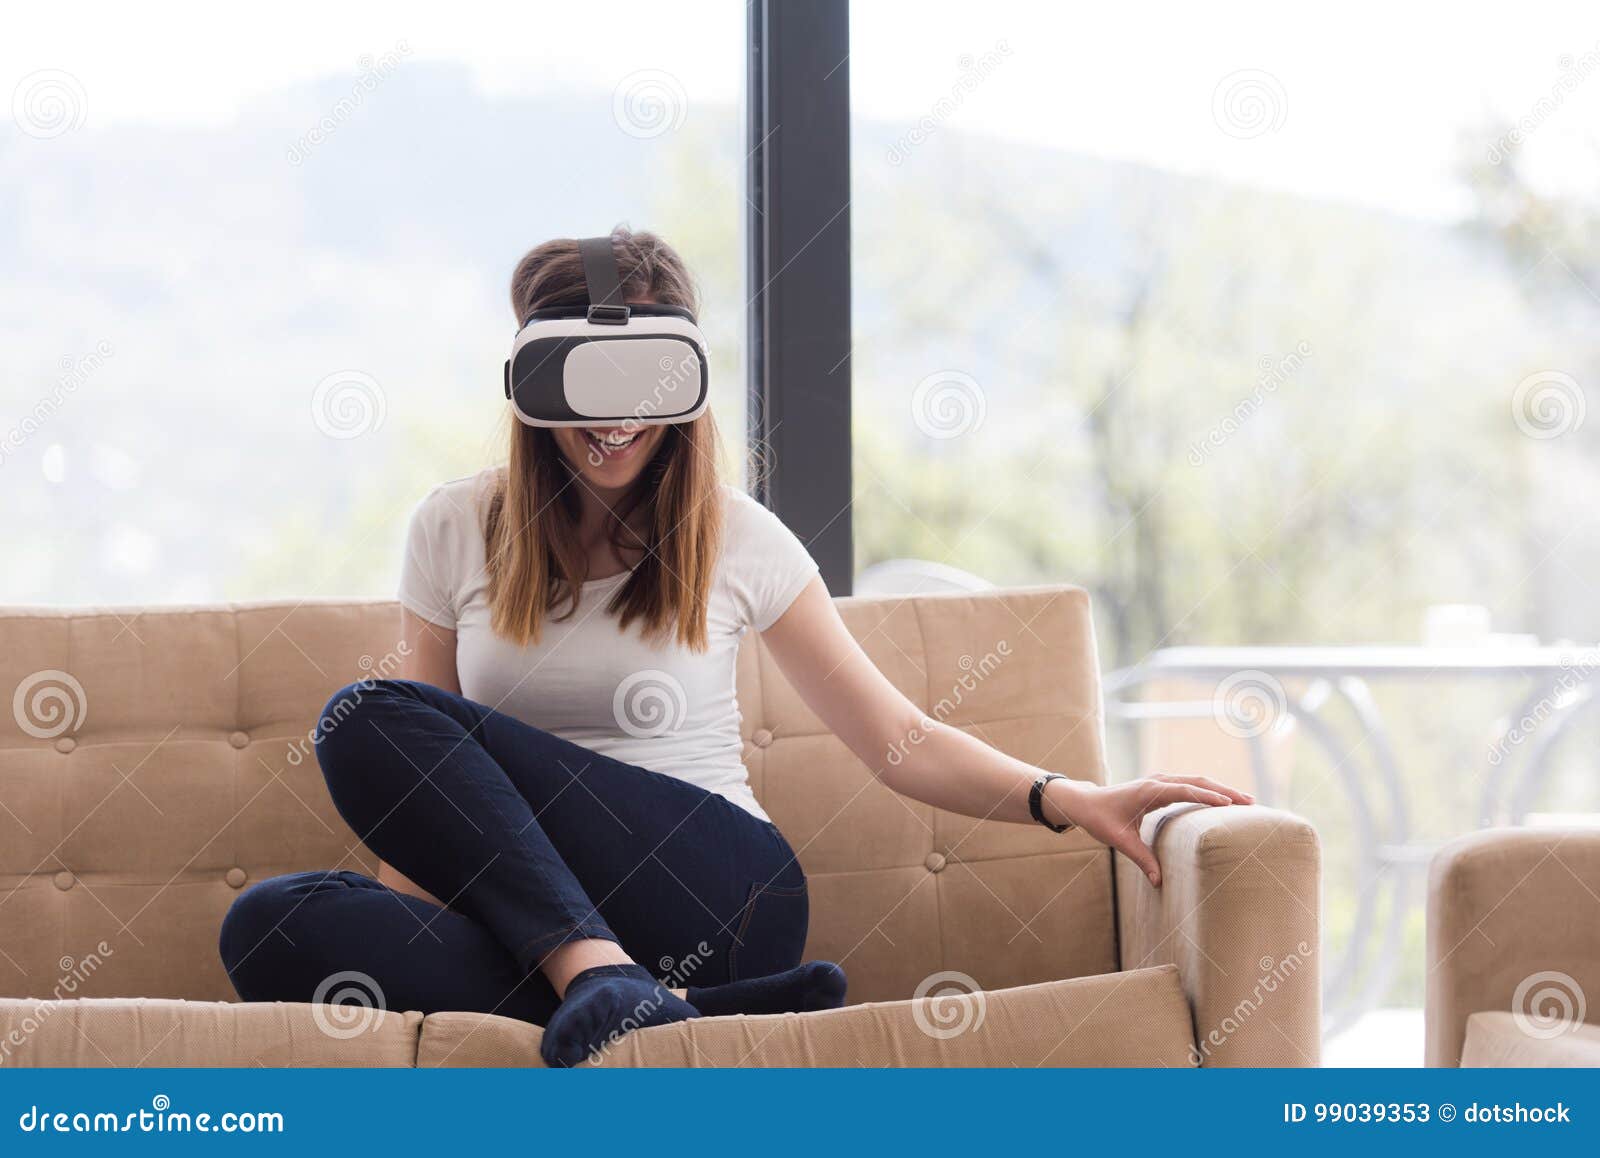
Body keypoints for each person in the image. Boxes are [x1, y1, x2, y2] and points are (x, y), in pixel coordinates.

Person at [218, 228, 1250, 1067]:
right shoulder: (452, 526)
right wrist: (426, 926)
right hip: (553, 918)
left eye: (643, 382)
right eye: (582, 383)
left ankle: (610, 982)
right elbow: (421, 776)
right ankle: (657, 1004)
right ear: (533, 386)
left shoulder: (739, 534)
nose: (611, 421)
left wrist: (1065, 797)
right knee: (273, 915)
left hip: (715, 888)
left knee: (368, 714)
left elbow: (894, 736)